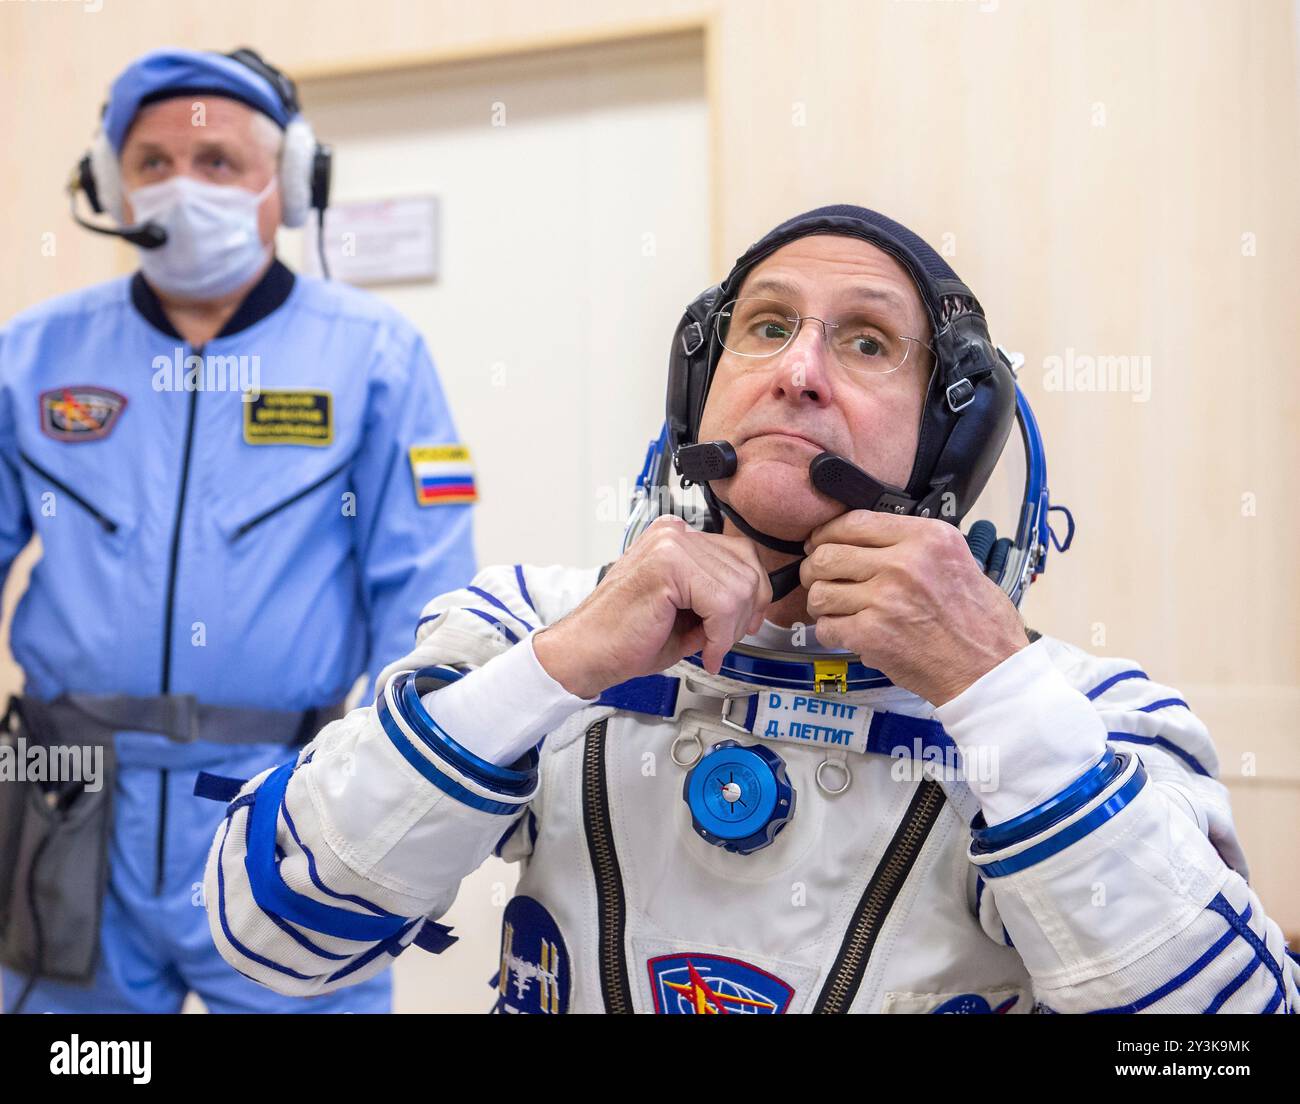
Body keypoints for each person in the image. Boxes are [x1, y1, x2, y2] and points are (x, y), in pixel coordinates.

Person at [202, 205, 1297, 1013]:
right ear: (699, 390)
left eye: (865, 342)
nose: (799, 371)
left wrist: (990, 688)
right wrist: (557, 669)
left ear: (953, 436)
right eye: (764, 328)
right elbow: (268, 935)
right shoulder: (521, 634)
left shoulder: (1087, 717)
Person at [0, 47, 476, 1013]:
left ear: (289, 185)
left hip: (287, 816)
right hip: (67, 804)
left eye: (218, 164)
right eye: (153, 161)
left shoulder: (374, 356)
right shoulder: (32, 354)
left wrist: (393, 799)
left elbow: (427, 606)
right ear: (110, 182)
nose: (184, 187)